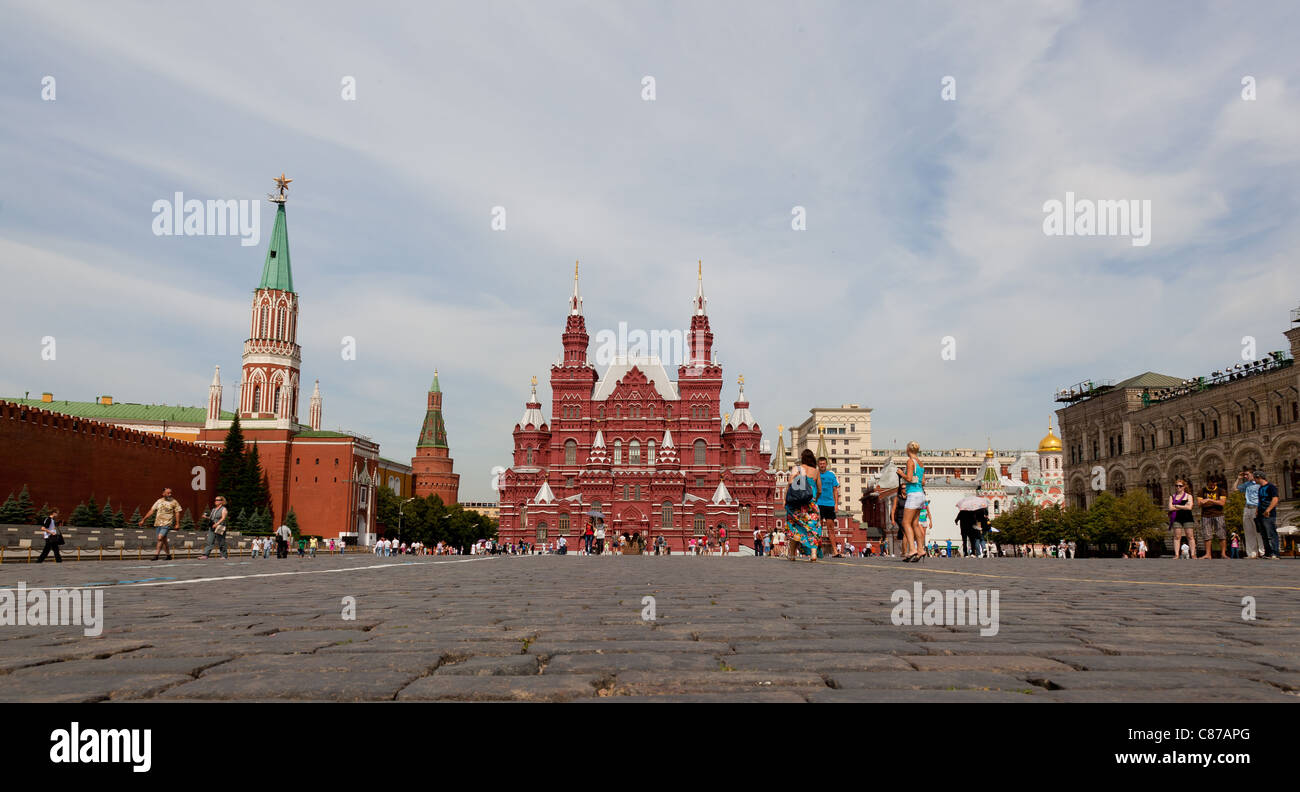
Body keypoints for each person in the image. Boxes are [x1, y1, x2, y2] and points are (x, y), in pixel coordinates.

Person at [784, 449, 823, 562]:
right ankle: (813, 554)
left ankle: (792, 554)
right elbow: (819, 489)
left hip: (796, 503)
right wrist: (815, 499)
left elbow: (789, 484)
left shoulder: (797, 469)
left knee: (794, 527)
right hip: (811, 503)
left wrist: (785, 500)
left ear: (802, 458)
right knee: (813, 528)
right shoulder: (815, 471)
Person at [898, 443, 926, 562]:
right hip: (921, 494)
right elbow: (923, 481)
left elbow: (909, 478)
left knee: (905, 523)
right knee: (915, 523)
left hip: (913, 495)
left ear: (908, 449)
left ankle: (912, 549)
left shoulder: (910, 461)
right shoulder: (920, 462)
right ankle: (921, 549)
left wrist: (901, 473)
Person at [140, 487, 182, 561]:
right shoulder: (159, 501)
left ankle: (156, 555)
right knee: (163, 540)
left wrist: (177, 523)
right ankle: (168, 555)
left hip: (167, 523)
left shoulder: (174, 502)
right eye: (168, 493)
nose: (170, 494)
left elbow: (177, 512)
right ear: (163, 494)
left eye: (170, 493)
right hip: (158, 523)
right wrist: (143, 520)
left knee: (160, 538)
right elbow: (151, 511)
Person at [1197, 478, 1226, 560]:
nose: (1213, 485)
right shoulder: (1202, 491)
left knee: (1221, 534)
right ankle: (1208, 554)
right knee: (1207, 535)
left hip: (1218, 514)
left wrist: (1209, 500)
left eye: (1215, 483)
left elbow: (1222, 503)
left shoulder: (1221, 490)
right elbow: (1199, 504)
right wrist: (1216, 501)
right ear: (1208, 483)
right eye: (1211, 483)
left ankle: (1223, 554)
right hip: (1206, 515)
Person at [1237, 469, 1263, 558]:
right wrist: (1238, 479)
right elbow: (1234, 489)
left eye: (1247, 475)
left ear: (1253, 474)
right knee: (1248, 531)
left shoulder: (1259, 484)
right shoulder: (1246, 484)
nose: (1245, 476)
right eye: (1244, 475)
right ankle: (1252, 553)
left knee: (1258, 531)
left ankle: (1262, 552)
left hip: (1255, 507)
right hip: (1247, 508)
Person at [1255, 471, 1280, 559]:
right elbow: (1260, 500)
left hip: (1268, 514)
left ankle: (1275, 553)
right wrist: (1257, 510)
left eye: (1255, 478)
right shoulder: (1260, 488)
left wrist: (1268, 510)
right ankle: (1268, 552)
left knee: (1271, 533)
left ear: (1259, 477)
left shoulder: (1271, 487)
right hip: (1260, 513)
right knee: (1264, 534)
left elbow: (1275, 499)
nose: (1254, 480)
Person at [816, 456, 840, 551]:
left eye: (823, 464)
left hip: (830, 504)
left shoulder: (831, 475)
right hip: (818, 504)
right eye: (820, 464)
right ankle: (818, 550)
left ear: (826, 464)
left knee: (831, 528)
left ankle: (835, 550)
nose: (822, 465)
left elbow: (835, 490)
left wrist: (836, 504)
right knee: (818, 528)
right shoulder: (815, 475)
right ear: (818, 465)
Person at [1169, 479, 1195, 559]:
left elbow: (1189, 507)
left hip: (1187, 517)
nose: (1178, 487)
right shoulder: (1172, 496)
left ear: (1184, 487)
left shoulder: (1188, 496)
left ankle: (1193, 554)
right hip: (1176, 518)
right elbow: (1170, 508)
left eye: (1180, 486)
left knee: (1190, 536)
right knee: (1177, 536)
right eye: (1176, 486)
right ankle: (1176, 554)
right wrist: (1184, 506)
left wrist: (1176, 506)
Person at [200, 495, 229, 559]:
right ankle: (205, 555)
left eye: (218, 500)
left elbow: (223, 518)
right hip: (212, 527)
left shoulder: (224, 509)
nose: (216, 501)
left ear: (221, 501)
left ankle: (224, 555)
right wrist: (206, 517)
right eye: (215, 500)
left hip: (220, 527)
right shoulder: (214, 509)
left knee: (221, 542)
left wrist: (217, 523)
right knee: (209, 541)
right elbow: (212, 518)